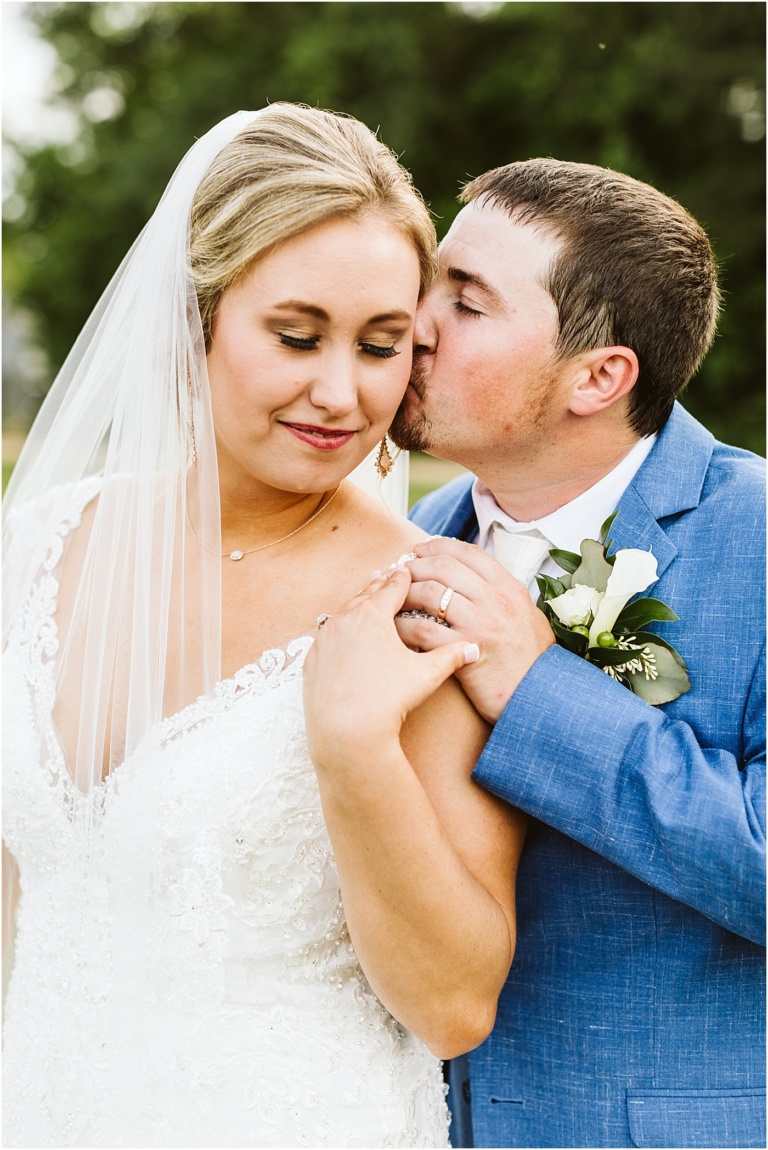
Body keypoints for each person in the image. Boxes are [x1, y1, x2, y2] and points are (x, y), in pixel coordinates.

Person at [1, 104, 527, 1148]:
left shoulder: (423, 605)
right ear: (192, 317)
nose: (339, 392)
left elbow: (455, 1004)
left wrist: (355, 746)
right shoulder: (42, 544)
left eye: (380, 346)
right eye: (296, 336)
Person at [390, 159, 766, 1149]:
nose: (415, 323)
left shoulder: (758, 537)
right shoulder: (410, 539)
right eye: (431, 282)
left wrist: (538, 692)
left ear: (599, 377)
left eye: (466, 301)